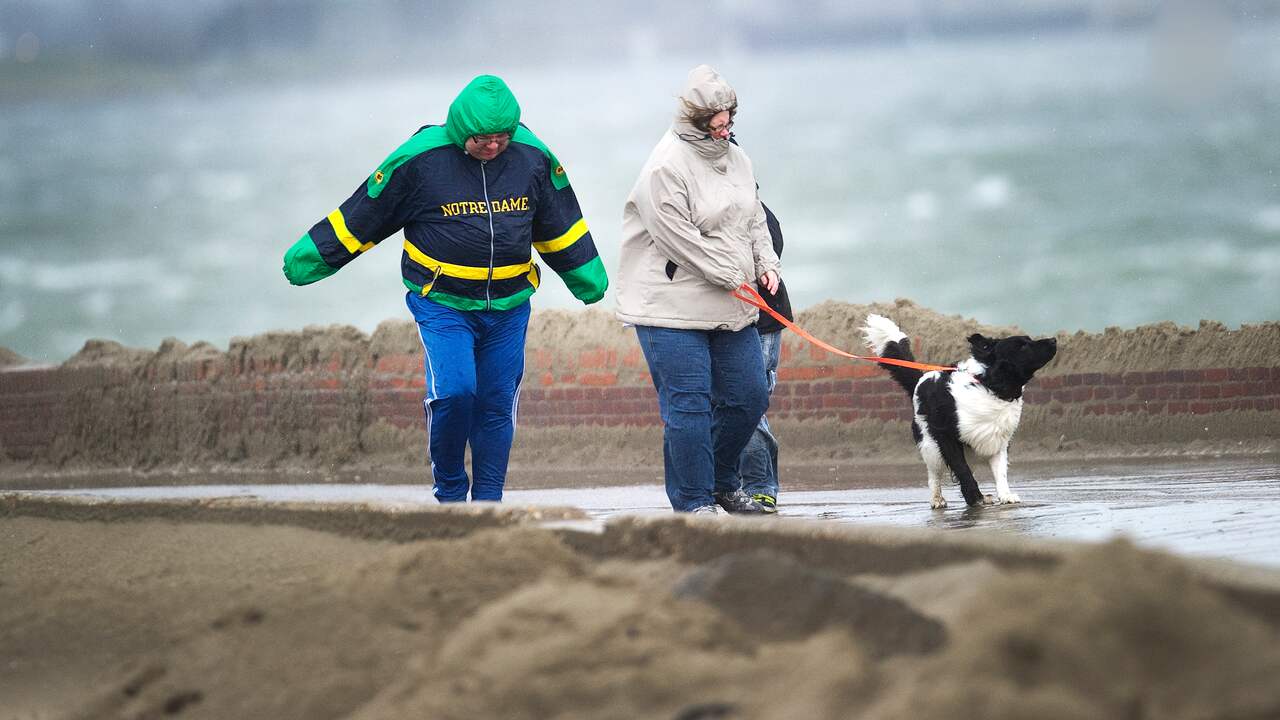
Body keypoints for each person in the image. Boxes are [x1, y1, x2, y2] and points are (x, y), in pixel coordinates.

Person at [282, 74, 608, 503]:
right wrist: (310, 258)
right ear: (461, 128)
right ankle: (451, 491)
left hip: (509, 305)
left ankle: (489, 502)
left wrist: (587, 278)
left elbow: (560, 223)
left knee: (495, 403)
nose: (493, 146)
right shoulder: (420, 160)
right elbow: (365, 215)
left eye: (501, 138)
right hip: (442, 304)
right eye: (482, 139)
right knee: (455, 392)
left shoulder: (532, 156)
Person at [616, 65, 779, 515]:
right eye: (717, 124)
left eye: (730, 121)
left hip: (729, 302)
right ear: (696, 121)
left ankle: (722, 483)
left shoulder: (738, 158)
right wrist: (733, 276)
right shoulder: (665, 166)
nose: (726, 130)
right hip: (668, 306)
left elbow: (754, 217)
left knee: (749, 397)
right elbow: (679, 240)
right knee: (688, 407)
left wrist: (766, 264)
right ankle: (693, 502)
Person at [737, 200, 793, 514]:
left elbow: (770, 253)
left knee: (751, 404)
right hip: (732, 321)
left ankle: (760, 487)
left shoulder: (759, 214)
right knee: (739, 404)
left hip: (762, 322)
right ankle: (742, 484)